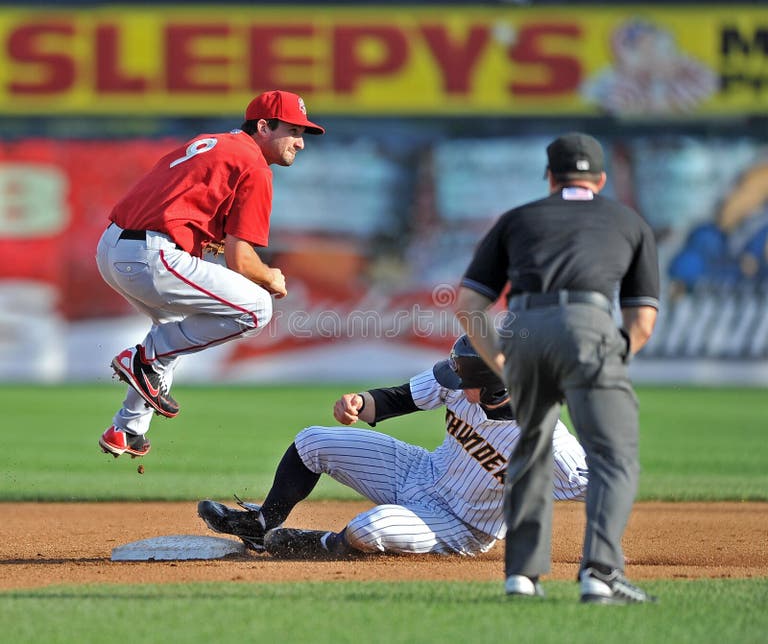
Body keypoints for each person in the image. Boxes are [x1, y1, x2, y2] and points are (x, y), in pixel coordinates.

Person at [455, 132, 660, 604]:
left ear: (550, 177)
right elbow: (642, 319)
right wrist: (614, 356)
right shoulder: (628, 222)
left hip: (525, 329)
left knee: (531, 450)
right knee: (612, 455)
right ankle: (600, 574)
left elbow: (469, 305)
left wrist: (500, 361)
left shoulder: (517, 219)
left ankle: (522, 578)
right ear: (601, 179)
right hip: (590, 326)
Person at [197, 335, 588, 559]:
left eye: (464, 379)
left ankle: (319, 545)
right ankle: (261, 524)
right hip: (421, 471)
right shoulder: (462, 384)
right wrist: (359, 402)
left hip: (461, 526)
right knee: (312, 441)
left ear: (496, 389)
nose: (453, 382)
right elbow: (401, 398)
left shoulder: (547, 443)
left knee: (371, 528)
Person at [96, 90, 324, 458]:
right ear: (264, 126)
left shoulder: (214, 142)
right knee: (257, 308)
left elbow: (177, 203)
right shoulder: (254, 165)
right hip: (148, 255)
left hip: (112, 247)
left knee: (174, 328)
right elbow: (241, 261)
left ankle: (127, 429)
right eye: (294, 130)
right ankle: (143, 359)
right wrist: (271, 277)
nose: (300, 142)